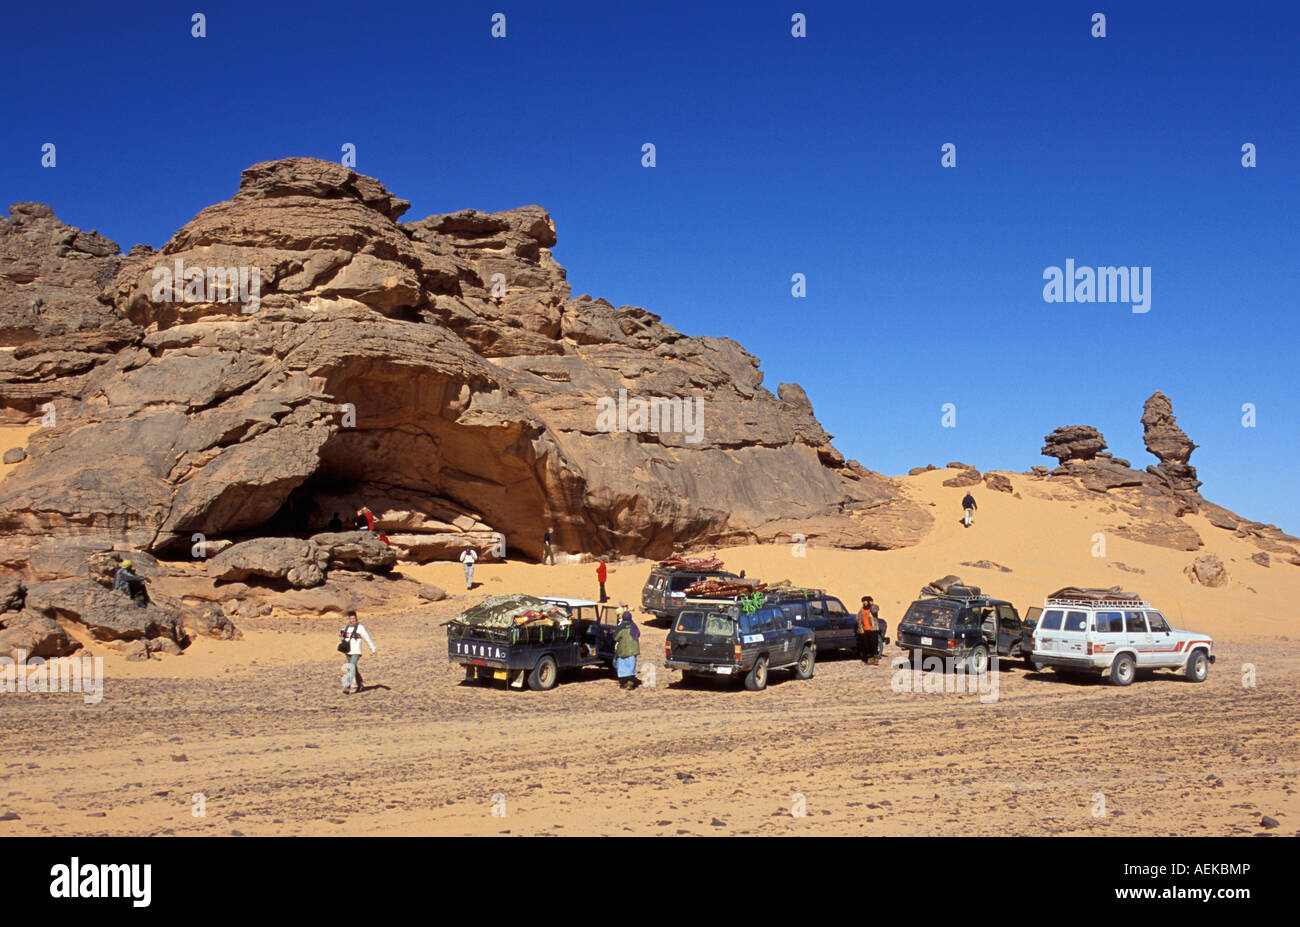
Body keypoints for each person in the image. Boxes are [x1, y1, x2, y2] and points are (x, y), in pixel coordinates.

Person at [339, 610, 376, 694]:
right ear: (349, 618)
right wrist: (341, 636)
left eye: (354, 618)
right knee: (353, 668)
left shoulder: (360, 627)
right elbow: (341, 636)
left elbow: (367, 638)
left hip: (356, 651)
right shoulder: (346, 627)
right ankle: (360, 683)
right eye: (351, 618)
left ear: (356, 618)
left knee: (351, 667)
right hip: (348, 651)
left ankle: (347, 686)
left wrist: (373, 649)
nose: (353, 620)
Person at [613, 610, 640, 689]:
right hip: (633, 651)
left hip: (623, 651)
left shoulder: (621, 627)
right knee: (631, 667)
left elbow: (615, 638)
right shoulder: (634, 626)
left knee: (622, 667)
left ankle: (624, 683)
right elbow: (638, 634)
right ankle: (630, 683)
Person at [857, 596, 882, 664]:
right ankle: (870, 660)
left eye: (865, 601)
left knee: (873, 645)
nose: (864, 603)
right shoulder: (862, 609)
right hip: (865, 630)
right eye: (863, 601)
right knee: (867, 646)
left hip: (873, 630)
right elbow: (858, 617)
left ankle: (876, 658)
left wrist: (872, 604)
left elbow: (875, 609)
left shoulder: (872, 608)